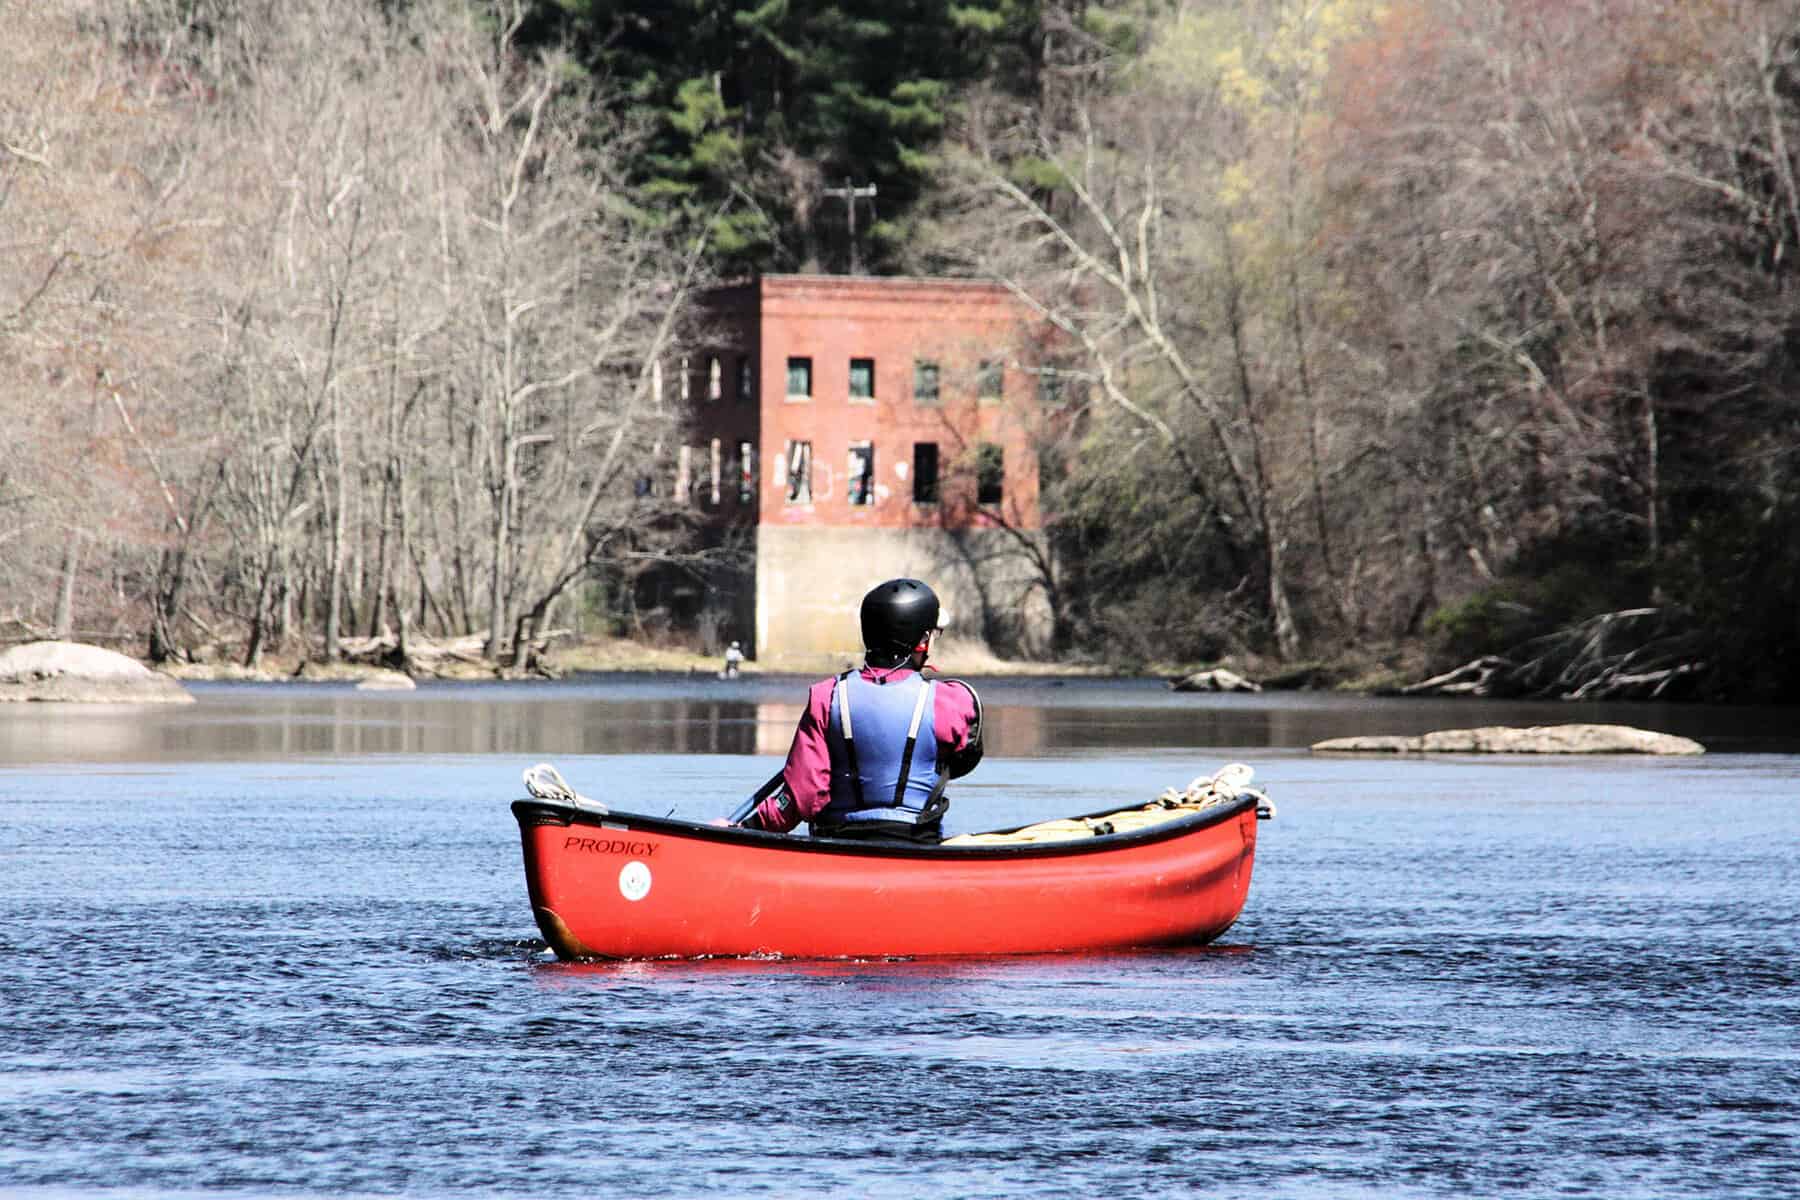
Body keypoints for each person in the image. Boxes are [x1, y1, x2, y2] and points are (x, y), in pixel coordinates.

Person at [737, 578, 983, 840]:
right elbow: (965, 759)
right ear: (922, 641)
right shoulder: (954, 701)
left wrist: (746, 829)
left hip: (838, 845)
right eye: (934, 634)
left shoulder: (826, 697)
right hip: (916, 842)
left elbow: (802, 798)